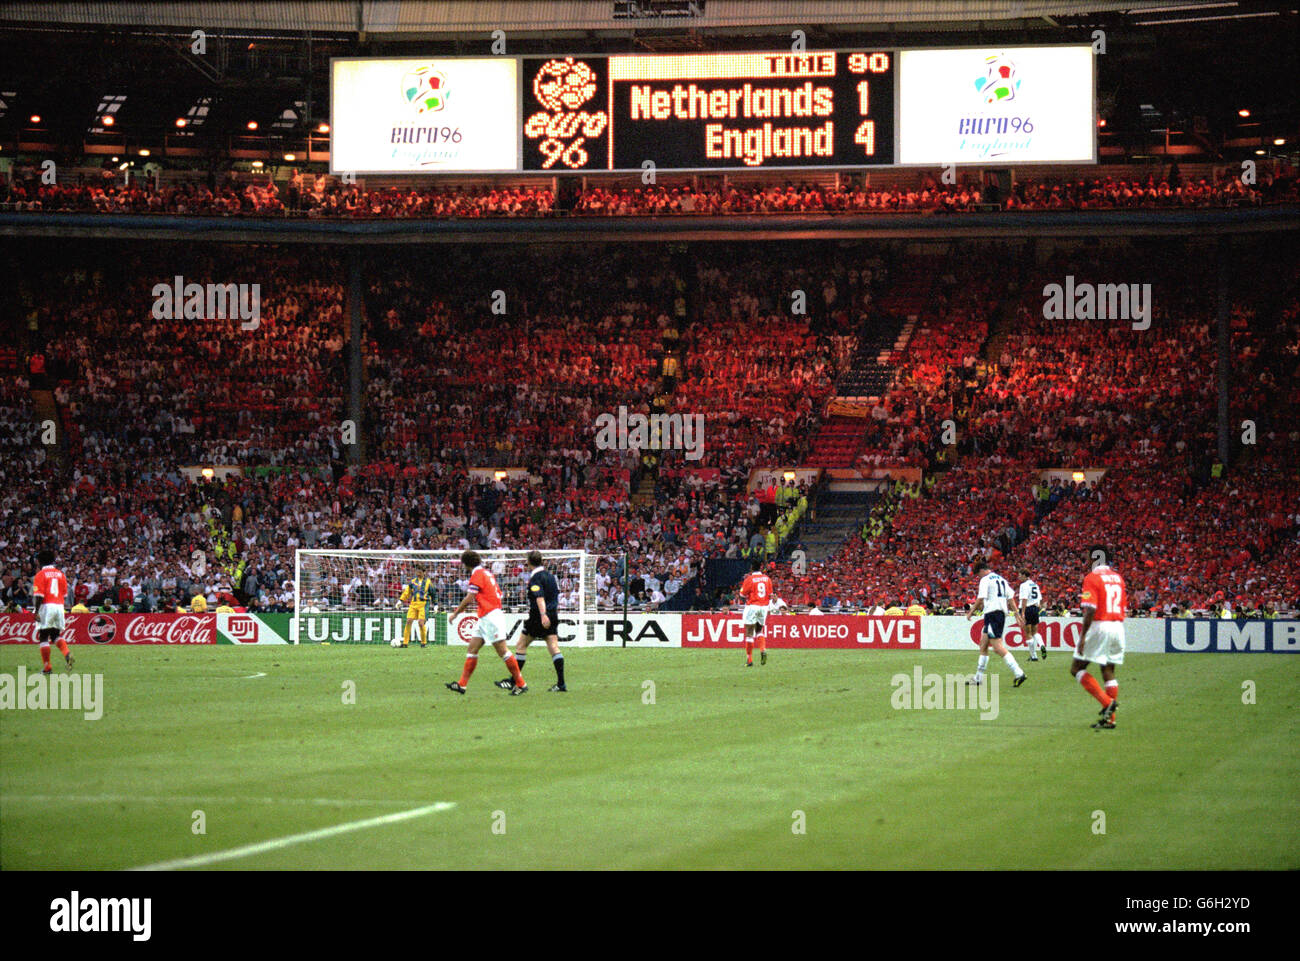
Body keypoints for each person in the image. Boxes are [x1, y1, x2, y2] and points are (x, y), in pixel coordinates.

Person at [446, 550, 527, 695]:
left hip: (491, 616)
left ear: (466, 564)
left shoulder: (477, 575)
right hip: (485, 616)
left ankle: (521, 684)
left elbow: (470, 597)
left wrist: (456, 613)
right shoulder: (486, 573)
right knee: (472, 649)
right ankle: (462, 685)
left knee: (502, 651)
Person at [497, 550, 567, 692]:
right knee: (553, 646)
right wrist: (549, 614)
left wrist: (542, 615)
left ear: (528, 562)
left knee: (521, 645)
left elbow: (539, 597)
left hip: (538, 616)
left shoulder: (535, 579)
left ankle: (514, 681)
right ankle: (561, 684)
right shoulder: (551, 577)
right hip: (553, 614)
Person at [1071, 552, 1126, 730]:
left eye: (1088, 558)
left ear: (1095, 558)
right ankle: (1111, 719)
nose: (1087, 562)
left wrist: (1083, 637)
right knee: (1108, 670)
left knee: (1077, 668)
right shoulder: (1118, 578)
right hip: (1118, 626)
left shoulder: (1092, 578)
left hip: (1100, 625)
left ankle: (1107, 703)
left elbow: (1090, 610)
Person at [966, 561, 1027, 687]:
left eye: (978, 575)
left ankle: (1019, 672)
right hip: (998, 614)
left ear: (982, 571)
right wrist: (1016, 613)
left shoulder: (985, 579)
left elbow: (980, 598)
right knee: (983, 644)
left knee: (997, 646)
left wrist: (971, 611)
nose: (979, 578)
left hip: (992, 613)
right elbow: (1010, 597)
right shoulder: (1002, 579)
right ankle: (978, 678)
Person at [32, 549, 73, 675]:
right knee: (55, 635)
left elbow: (39, 595)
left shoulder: (40, 575)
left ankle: (47, 668)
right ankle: (67, 653)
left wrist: (36, 611)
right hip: (59, 606)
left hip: (46, 606)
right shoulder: (61, 574)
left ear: (41, 561)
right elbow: (65, 594)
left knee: (43, 636)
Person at [738, 557, 773, 667]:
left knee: (749, 633)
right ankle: (762, 650)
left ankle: (749, 660)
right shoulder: (767, 579)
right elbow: (770, 594)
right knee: (759, 630)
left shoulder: (749, 579)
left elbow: (742, 594)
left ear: (752, 568)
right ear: (761, 567)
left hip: (753, 606)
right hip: (764, 607)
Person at [399, 571, 435, 648]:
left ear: (424, 572)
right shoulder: (412, 582)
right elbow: (407, 592)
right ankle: (405, 643)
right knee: (408, 621)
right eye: (417, 572)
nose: (418, 574)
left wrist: (436, 604)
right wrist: (400, 600)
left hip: (423, 604)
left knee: (421, 623)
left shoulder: (428, 582)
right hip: (413, 604)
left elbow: (433, 593)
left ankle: (423, 642)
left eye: (420, 572)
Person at [1018, 573, 1045, 660]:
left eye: (1020, 575)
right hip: (1035, 608)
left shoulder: (1024, 585)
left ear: (1025, 576)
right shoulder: (1035, 585)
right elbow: (1040, 599)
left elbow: (1024, 599)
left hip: (1027, 609)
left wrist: (1023, 612)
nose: (1019, 577)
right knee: (1035, 632)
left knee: (1028, 633)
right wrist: (1037, 608)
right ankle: (1042, 645)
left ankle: (1034, 656)